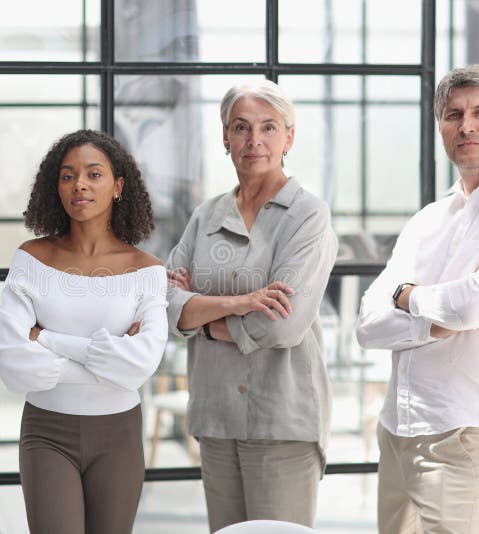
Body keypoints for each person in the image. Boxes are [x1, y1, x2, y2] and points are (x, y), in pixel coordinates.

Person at [356, 64, 479, 534]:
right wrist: (434, 313)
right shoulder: (428, 219)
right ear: (441, 128)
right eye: (453, 114)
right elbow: (367, 325)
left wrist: (406, 296)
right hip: (396, 431)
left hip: (464, 434)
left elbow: (475, 307)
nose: (465, 125)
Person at [165, 79, 338, 531]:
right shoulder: (205, 216)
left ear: (289, 137)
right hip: (216, 417)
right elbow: (164, 303)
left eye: (268, 127)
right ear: (225, 138)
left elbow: (284, 326)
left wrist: (200, 318)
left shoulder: (308, 215)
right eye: (241, 127)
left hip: (282, 420)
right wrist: (241, 303)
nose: (254, 140)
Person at [0, 129, 168, 534]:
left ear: (118, 186)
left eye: (93, 174)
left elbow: (138, 369)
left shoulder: (147, 270)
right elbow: (13, 365)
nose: (80, 185)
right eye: (68, 176)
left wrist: (48, 339)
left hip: (119, 435)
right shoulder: (30, 259)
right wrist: (109, 359)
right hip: (47, 431)